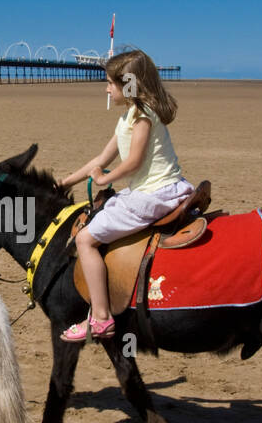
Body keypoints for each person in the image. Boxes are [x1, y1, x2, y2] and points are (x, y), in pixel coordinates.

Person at [57, 49, 196, 342]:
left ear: (129, 83)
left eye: (110, 82)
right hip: (147, 189)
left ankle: (101, 318)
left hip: (155, 194)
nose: (106, 88)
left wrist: (105, 178)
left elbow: (132, 161)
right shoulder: (127, 118)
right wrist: (68, 180)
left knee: (85, 239)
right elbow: (101, 158)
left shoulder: (143, 116)